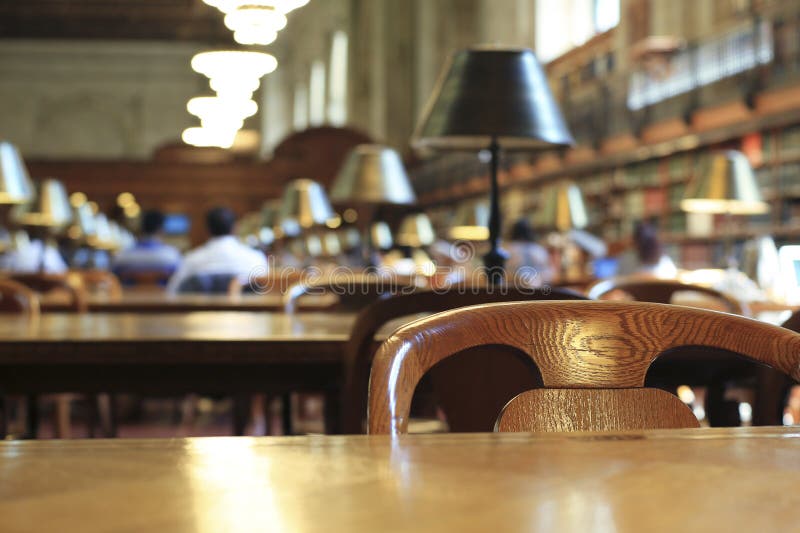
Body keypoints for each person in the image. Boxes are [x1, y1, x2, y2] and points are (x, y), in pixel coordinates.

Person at [166, 207, 268, 294]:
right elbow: (267, 291)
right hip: (247, 316)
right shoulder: (256, 259)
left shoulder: (191, 260)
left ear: (207, 229)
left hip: (199, 316)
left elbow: (172, 292)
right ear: (235, 228)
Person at [112, 209, 182, 281]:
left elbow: (113, 278)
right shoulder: (171, 256)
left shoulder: (122, 256)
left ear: (141, 228)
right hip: (162, 292)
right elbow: (179, 279)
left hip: (128, 292)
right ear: (161, 230)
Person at [505, 218, 553, 286]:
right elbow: (549, 273)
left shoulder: (507, 250)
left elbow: (501, 274)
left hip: (511, 292)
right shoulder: (539, 250)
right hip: (538, 292)